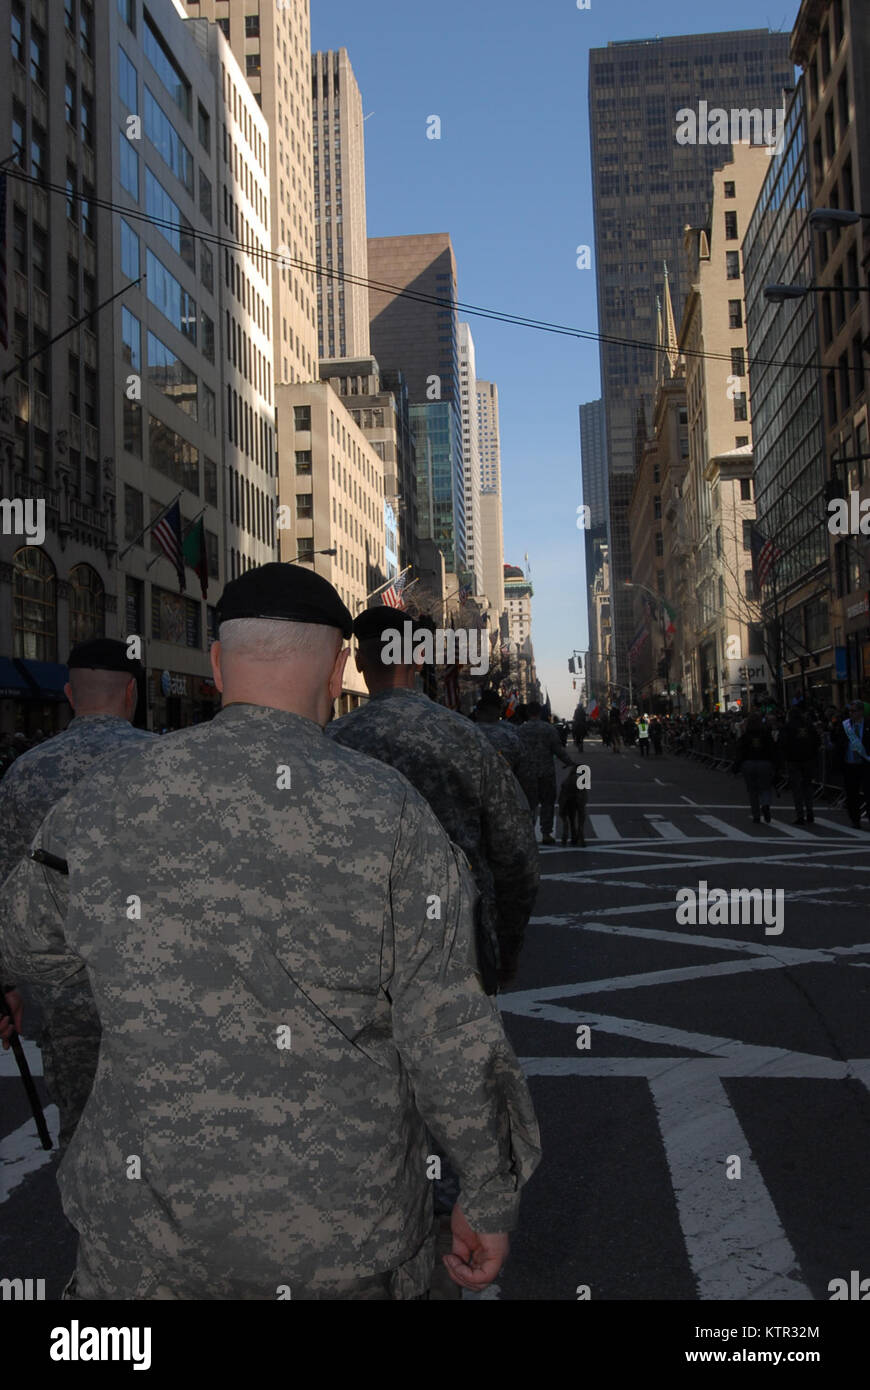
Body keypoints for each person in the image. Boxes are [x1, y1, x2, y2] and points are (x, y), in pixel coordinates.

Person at [0, 565, 541, 1300]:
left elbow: (27, 942)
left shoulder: (103, 801)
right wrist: (486, 1188)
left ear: (218, 665)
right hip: (342, 1241)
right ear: (337, 668)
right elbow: (448, 1027)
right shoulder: (392, 814)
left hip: (144, 1246)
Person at [328, 607, 539, 988]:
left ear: (359, 663)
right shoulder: (466, 737)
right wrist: (508, 945)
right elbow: (515, 852)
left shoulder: (331, 742)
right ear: (419, 657)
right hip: (456, 948)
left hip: (357, 953)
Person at [0, 638, 155, 1144]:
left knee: (83, 1139)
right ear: (131, 692)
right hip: (156, 986)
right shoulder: (166, 764)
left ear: (68, 693)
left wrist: (6, 986)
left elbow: (9, 888)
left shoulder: (25, 773)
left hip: (63, 988)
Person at [518, 700, 575, 846]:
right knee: (547, 804)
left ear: (527, 713)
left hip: (526, 774)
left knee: (528, 805)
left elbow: (515, 751)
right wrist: (569, 762)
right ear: (540, 712)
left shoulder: (520, 730)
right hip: (546, 773)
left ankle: (528, 833)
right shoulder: (548, 729)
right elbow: (558, 749)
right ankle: (546, 833)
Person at [474, 689, 535, 811]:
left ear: (477, 712)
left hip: (469, 805)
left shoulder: (460, 733)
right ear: (499, 710)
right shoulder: (511, 736)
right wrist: (529, 805)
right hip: (505, 805)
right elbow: (526, 777)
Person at [733, 712, 779, 824]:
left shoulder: (745, 736)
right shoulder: (766, 735)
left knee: (752, 791)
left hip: (748, 764)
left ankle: (756, 815)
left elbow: (740, 752)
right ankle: (766, 805)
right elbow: (773, 750)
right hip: (764, 763)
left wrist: (736, 766)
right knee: (765, 787)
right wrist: (776, 765)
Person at [781, 707, 820, 825]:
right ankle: (810, 811)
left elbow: (783, 743)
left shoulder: (787, 727)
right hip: (808, 760)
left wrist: (786, 756)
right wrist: (813, 754)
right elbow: (817, 741)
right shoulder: (809, 726)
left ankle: (800, 815)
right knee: (808, 786)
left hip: (793, 761)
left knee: (797, 788)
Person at [835, 699, 870, 829]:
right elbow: (839, 744)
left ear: (861, 712)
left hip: (865, 764)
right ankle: (855, 819)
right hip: (850, 765)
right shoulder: (845, 725)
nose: (851, 714)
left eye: (854, 711)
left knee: (868, 793)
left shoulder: (868, 724)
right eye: (849, 711)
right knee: (851, 795)